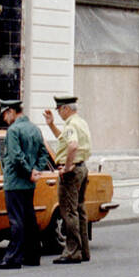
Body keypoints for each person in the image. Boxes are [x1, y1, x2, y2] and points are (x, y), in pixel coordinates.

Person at [0, 99, 46, 270]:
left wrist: (28, 171)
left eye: (4, 115)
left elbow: (15, 157)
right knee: (29, 219)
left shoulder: (13, 130)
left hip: (15, 181)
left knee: (16, 220)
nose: (4, 119)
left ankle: (13, 258)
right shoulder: (35, 129)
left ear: (10, 111)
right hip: (29, 184)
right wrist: (35, 170)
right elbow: (43, 153)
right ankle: (33, 256)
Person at [44, 95, 92, 265]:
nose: (58, 113)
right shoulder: (80, 122)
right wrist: (51, 125)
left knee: (69, 211)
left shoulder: (71, 124)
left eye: (59, 110)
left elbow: (72, 145)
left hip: (71, 172)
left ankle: (72, 252)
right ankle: (83, 250)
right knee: (79, 210)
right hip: (82, 168)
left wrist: (67, 166)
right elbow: (64, 139)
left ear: (66, 108)